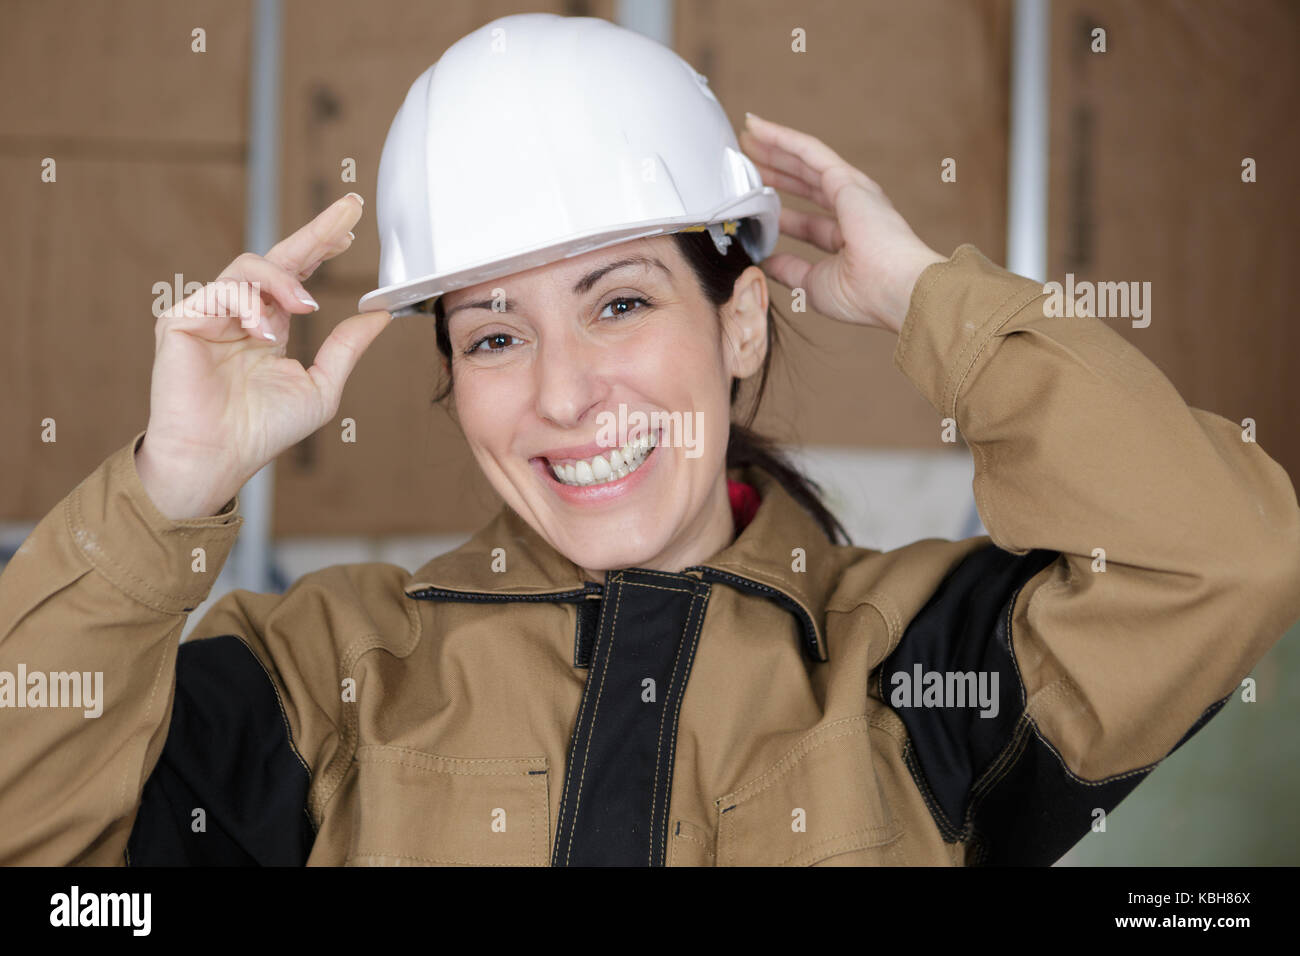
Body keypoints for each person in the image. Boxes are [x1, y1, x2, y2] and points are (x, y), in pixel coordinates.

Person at [1, 13, 1297, 867]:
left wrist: (927, 297)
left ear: (741, 322)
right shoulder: (322, 671)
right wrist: (168, 492)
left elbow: (1223, 561)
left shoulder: (917, 663)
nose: (564, 396)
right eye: (496, 334)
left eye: (620, 302)